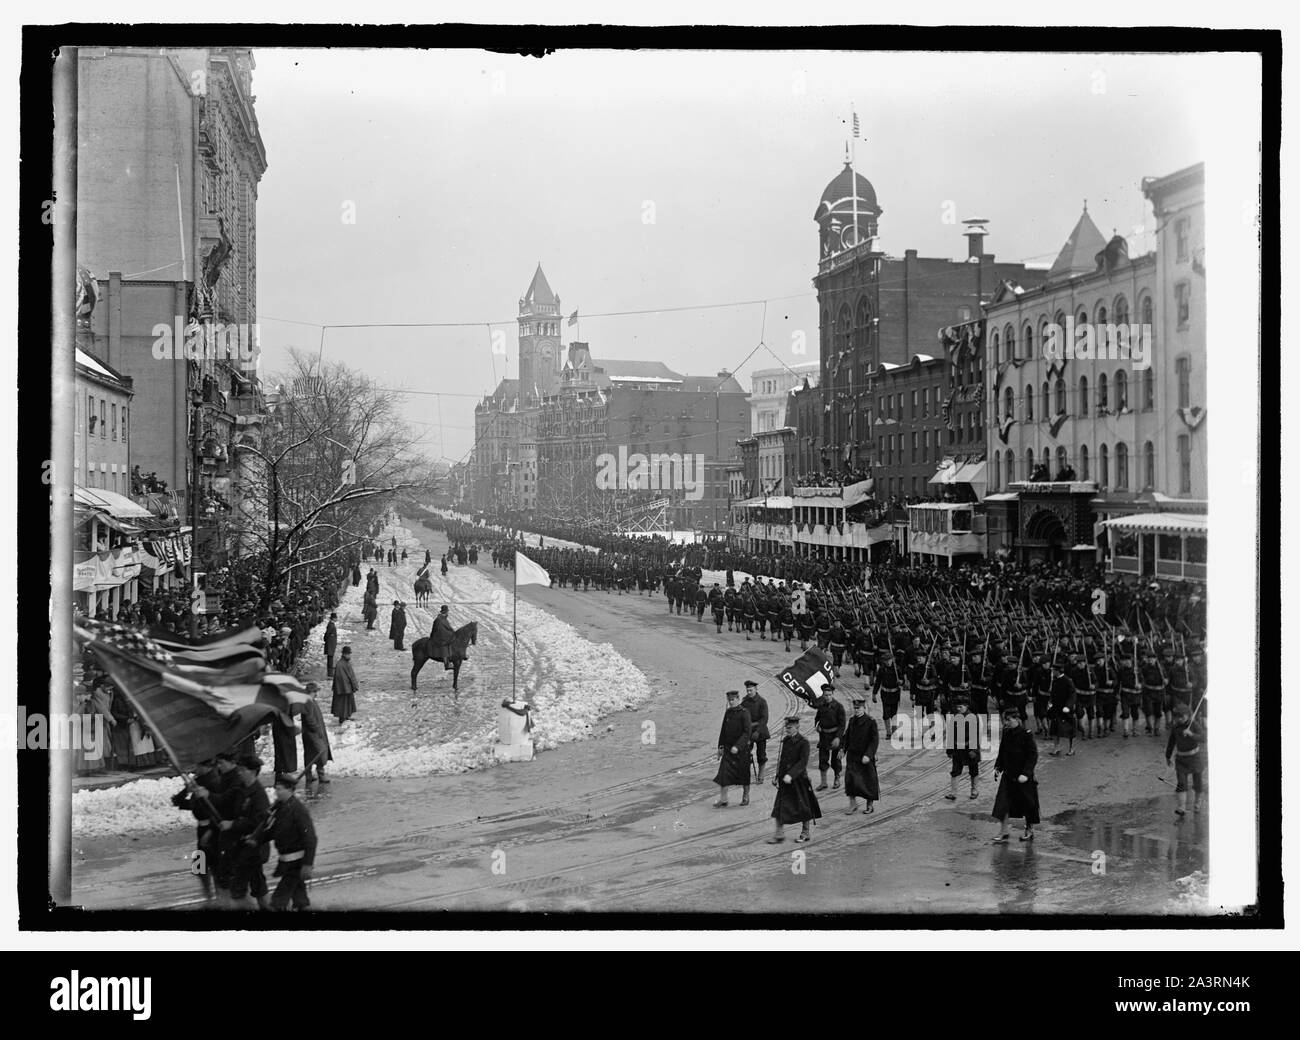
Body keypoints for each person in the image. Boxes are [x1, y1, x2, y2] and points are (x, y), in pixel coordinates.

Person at [219, 755, 271, 909]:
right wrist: (206, 795)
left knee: (241, 888)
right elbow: (222, 801)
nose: (240, 773)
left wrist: (233, 824)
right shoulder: (241, 789)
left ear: (253, 772)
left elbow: (258, 822)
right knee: (258, 886)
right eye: (239, 769)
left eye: (243, 770)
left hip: (253, 848)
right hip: (242, 847)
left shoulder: (259, 795)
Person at [171, 759, 225, 900]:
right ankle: (208, 894)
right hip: (201, 828)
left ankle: (220, 896)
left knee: (215, 865)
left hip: (212, 828)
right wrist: (187, 791)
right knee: (200, 866)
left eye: (199, 766)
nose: (196, 769)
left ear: (207, 767)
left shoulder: (214, 783)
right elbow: (178, 801)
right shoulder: (198, 781)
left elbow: (218, 808)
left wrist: (211, 830)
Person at [266, 774, 318, 911]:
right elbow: (274, 831)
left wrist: (308, 864)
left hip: (296, 862)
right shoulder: (280, 808)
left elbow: (310, 838)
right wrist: (256, 839)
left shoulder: (298, 810)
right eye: (276, 789)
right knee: (300, 899)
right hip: (286, 860)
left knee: (278, 901)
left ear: (290, 790)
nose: (277, 792)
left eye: (279, 789)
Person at [769, 716, 821, 844]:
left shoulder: (804, 742)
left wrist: (791, 775)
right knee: (779, 807)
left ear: (797, 727)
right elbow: (782, 760)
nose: (787, 730)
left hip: (798, 780)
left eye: (790, 728)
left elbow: (802, 762)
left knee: (803, 807)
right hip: (784, 781)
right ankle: (779, 834)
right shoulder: (786, 741)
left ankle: (805, 832)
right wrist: (777, 776)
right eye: (787, 727)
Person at [991, 708, 1039, 843]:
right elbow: (1002, 751)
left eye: (1008, 720)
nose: (1005, 723)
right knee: (1002, 804)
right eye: (1004, 720)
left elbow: (1032, 755)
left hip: (1023, 777)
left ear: (1016, 719)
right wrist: (998, 767)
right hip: (1008, 775)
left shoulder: (1026, 735)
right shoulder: (1007, 733)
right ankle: (1004, 831)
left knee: (1028, 804)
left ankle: (1029, 829)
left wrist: (1026, 773)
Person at [713, 690, 753, 808]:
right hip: (728, 749)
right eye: (729, 700)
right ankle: (723, 799)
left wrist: (738, 746)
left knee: (744, 774)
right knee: (723, 775)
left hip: (741, 750)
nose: (731, 702)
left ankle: (745, 796)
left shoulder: (744, 713)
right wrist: (720, 747)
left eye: (733, 700)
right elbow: (723, 730)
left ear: (738, 699)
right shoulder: (728, 713)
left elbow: (747, 732)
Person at [1165, 703, 1206, 817]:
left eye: (1181, 717)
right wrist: (1167, 756)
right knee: (1181, 783)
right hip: (1181, 759)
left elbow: (1203, 738)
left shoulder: (1194, 725)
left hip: (1195, 758)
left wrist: (1191, 734)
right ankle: (1181, 807)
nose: (1178, 719)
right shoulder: (1175, 727)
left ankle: (1197, 802)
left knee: (1198, 782)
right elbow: (1171, 742)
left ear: (1188, 715)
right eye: (1176, 717)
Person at [842, 696, 880, 814]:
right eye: (855, 708)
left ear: (864, 708)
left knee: (868, 781)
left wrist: (868, 755)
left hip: (865, 757)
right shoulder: (852, 720)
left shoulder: (871, 722)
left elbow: (874, 741)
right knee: (850, 780)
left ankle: (869, 804)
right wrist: (843, 749)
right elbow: (847, 737)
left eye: (859, 708)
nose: (856, 710)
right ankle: (853, 804)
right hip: (853, 757)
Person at [944, 699, 981, 801]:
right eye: (957, 707)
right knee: (955, 770)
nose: (958, 709)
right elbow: (951, 734)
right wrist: (949, 750)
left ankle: (974, 790)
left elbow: (975, 735)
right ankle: (953, 792)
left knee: (973, 770)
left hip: (970, 749)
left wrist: (974, 750)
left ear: (966, 706)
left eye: (961, 707)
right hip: (957, 749)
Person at [813, 683, 846, 792]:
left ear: (832, 694)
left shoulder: (839, 707)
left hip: (835, 736)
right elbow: (817, 719)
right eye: (825, 695)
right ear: (823, 695)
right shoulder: (821, 706)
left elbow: (842, 725)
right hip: (823, 737)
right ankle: (823, 782)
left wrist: (838, 738)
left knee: (835, 760)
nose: (827, 697)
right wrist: (817, 726)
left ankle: (837, 778)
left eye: (829, 695)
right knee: (822, 759)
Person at [299, 682, 332, 786]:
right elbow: (309, 719)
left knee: (310, 753)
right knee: (320, 751)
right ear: (312, 691)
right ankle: (320, 773)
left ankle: (309, 775)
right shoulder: (308, 702)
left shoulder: (309, 701)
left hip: (310, 733)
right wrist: (317, 729)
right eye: (316, 692)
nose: (317, 694)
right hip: (313, 733)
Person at [742, 681, 769, 783]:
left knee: (761, 755)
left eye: (751, 690)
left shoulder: (762, 702)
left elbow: (764, 719)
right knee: (746, 754)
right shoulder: (745, 702)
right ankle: (746, 775)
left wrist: (757, 731)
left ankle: (761, 776)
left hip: (760, 731)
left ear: (756, 689)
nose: (749, 692)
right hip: (748, 732)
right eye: (747, 690)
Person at [331, 646, 359, 723]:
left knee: (347, 703)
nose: (350, 656)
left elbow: (350, 675)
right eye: (348, 654)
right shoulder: (340, 664)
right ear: (344, 654)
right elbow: (340, 678)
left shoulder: (345, 663)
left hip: (347, 687)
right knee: (342, 704)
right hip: (342, 689)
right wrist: (347, 687)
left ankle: (346, 716)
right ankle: (342, 718)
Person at [323, 612, 338, 678]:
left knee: (330, 657)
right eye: (336, 617)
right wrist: (326, 639)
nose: (337, 619)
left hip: (331, 642)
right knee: (330, 657)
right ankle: (330, 673)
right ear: (333, 618)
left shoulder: (331, 624)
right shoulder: (331, 625)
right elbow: (327, 634)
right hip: (330, 643)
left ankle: (330, 671)